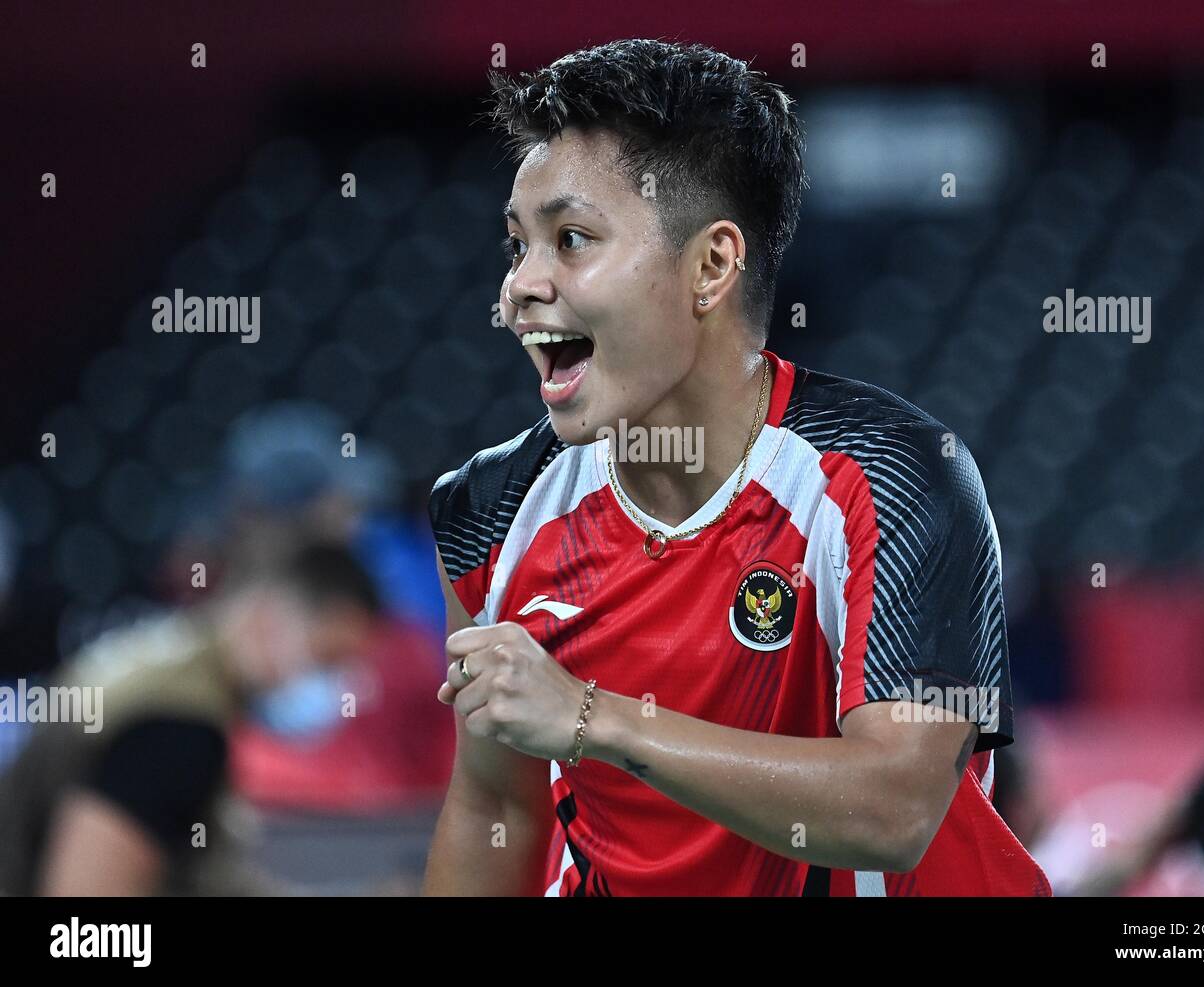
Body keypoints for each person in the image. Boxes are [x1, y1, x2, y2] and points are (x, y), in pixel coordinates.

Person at [423, 39, 1049, 896]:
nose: (520, 287)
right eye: (517, 245)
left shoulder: (894, 477)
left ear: (711, 265)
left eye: (570, 239)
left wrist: (591, 718)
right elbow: (497, 806)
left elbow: (895, 809)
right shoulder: (487, 517)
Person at [0, 541, 380, 896]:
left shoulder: (166, 663)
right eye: (328, 659)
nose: (335, 688)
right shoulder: (178, 726)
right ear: (267, 617)